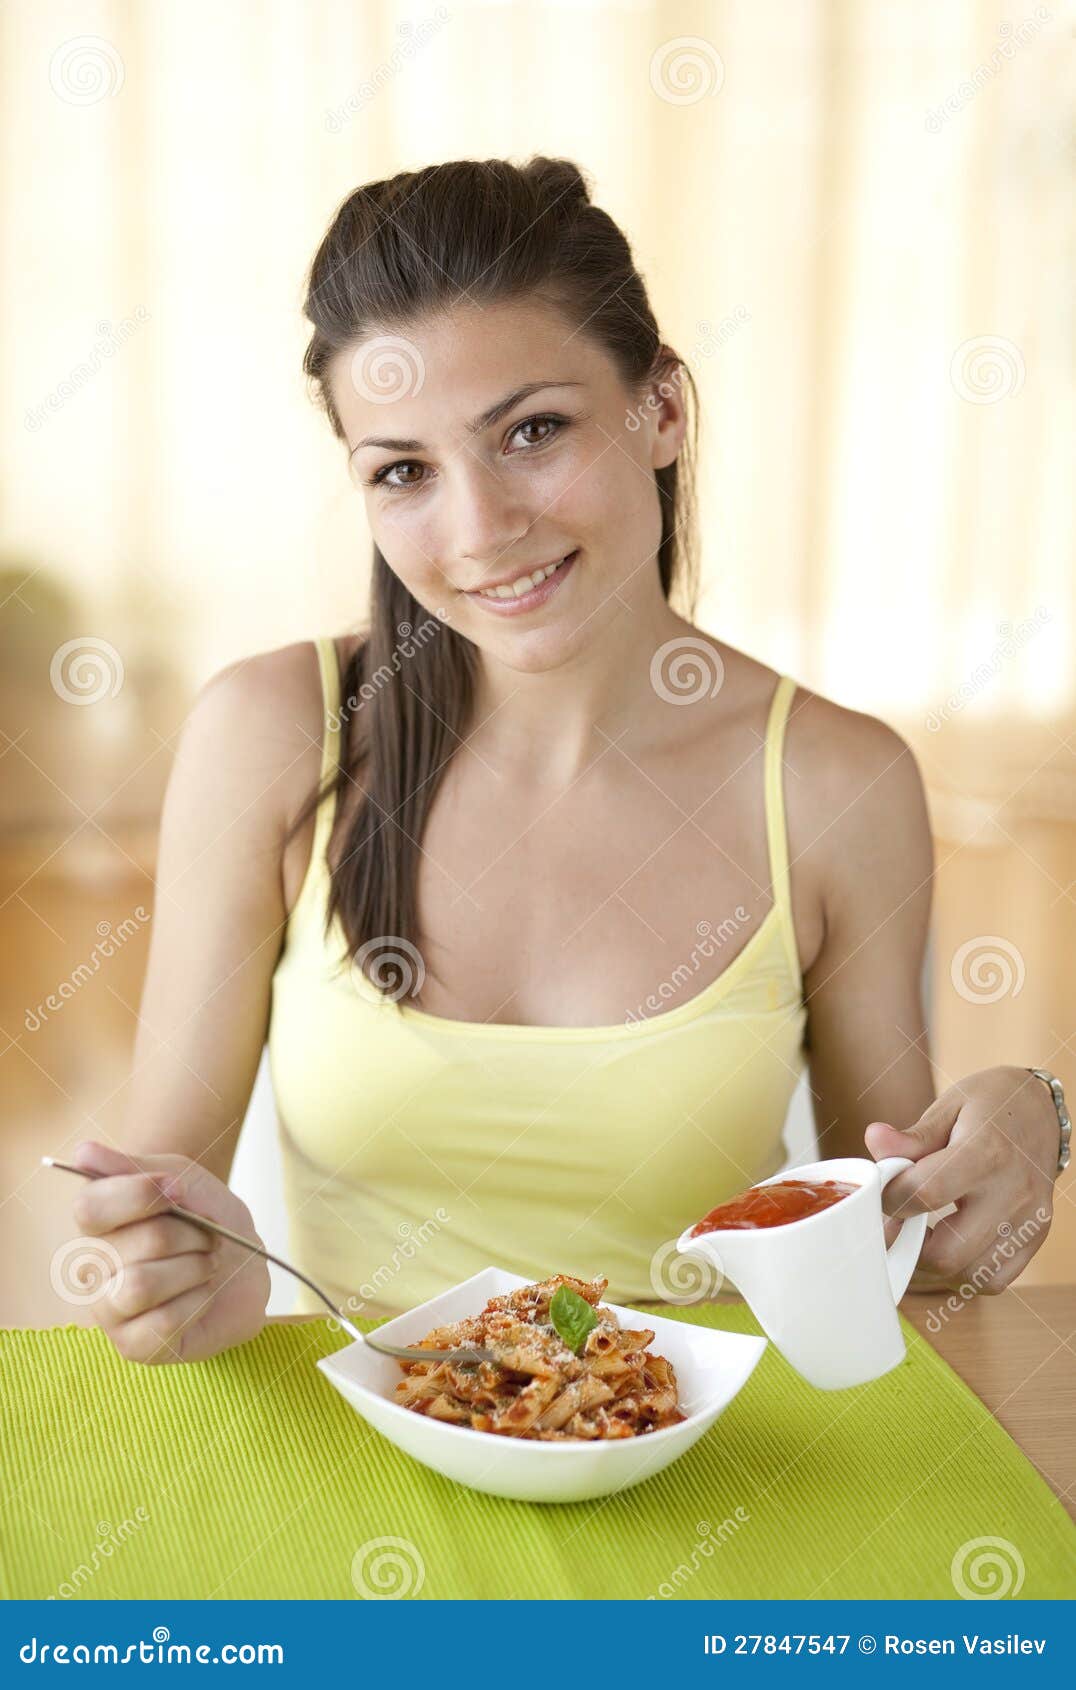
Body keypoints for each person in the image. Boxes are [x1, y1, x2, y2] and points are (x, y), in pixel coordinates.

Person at [66, 157, 1066, 1364]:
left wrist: (1034, 1121)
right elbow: (160, 1199)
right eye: (403, 471)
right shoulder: (272, 732)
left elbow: (906, 1253)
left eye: (532, 431)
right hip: (355, 1431)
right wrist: (177, 1270)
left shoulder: (834, 783)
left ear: (661, 411)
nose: (480, 530)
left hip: (691, 1440)